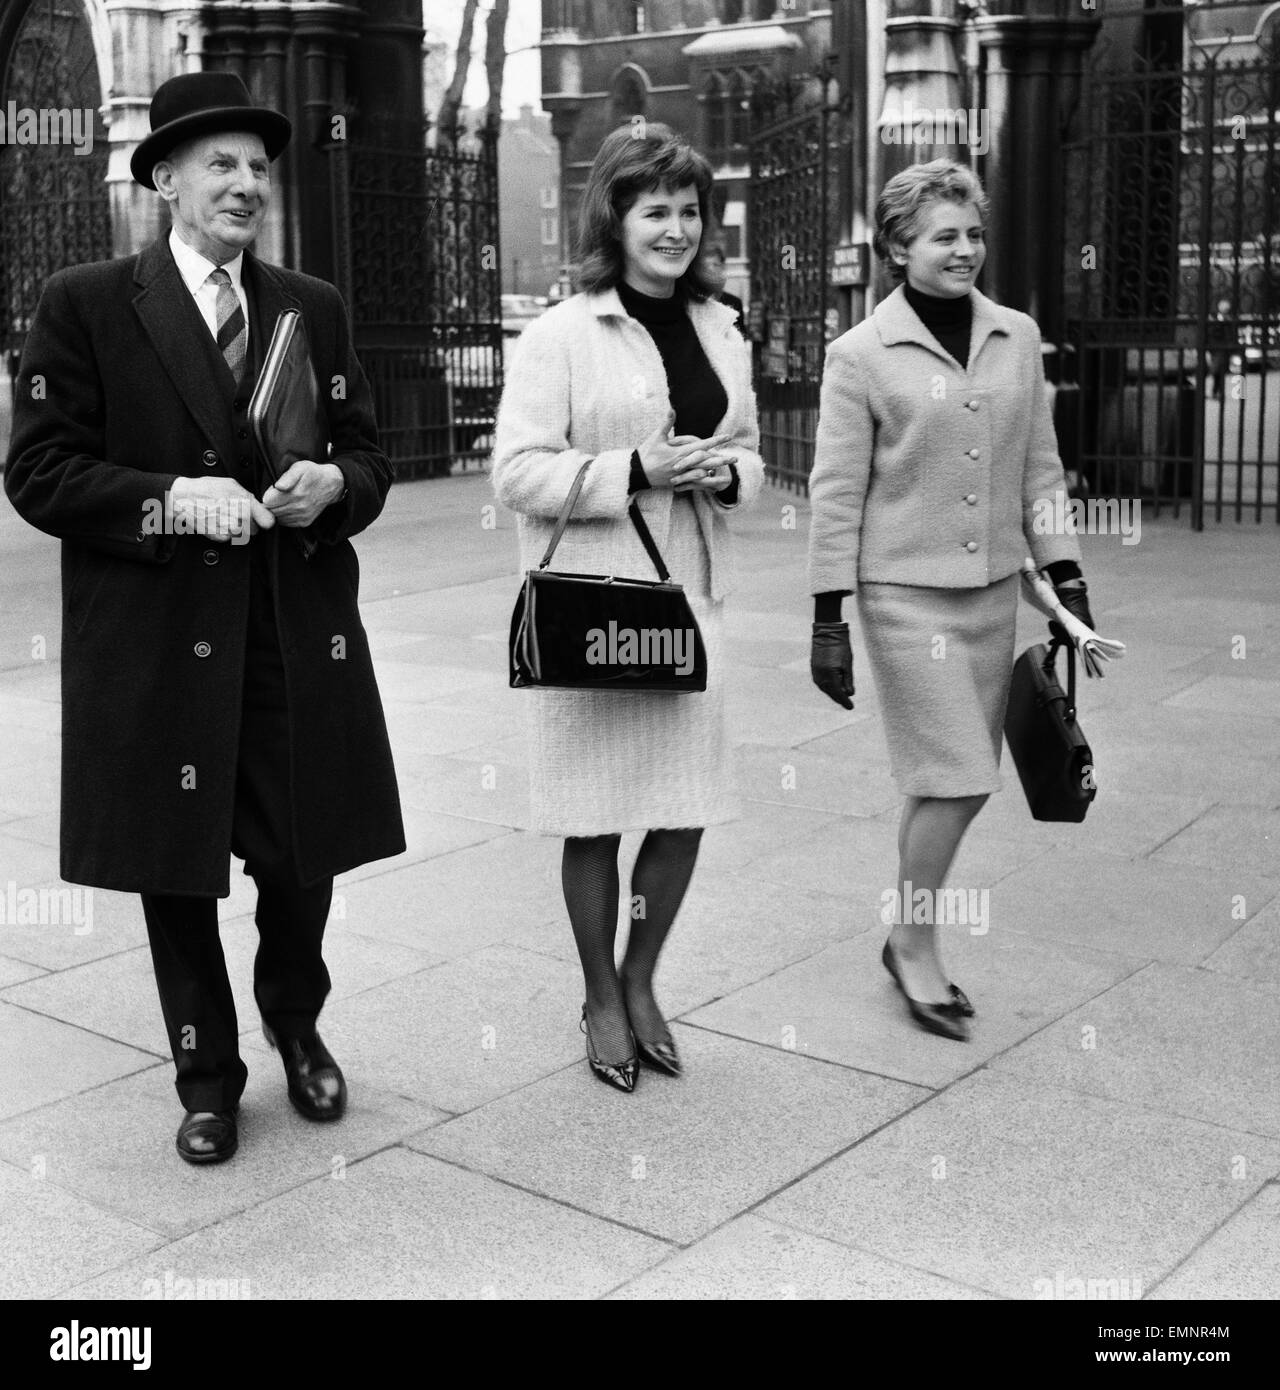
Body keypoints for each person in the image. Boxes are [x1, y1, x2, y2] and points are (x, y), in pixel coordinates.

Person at [4, 72, 405, 1162]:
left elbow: (368, 452)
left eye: (258, 169)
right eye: (220, 165)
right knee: (173, 868)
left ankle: (296, 1019)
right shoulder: (85, 302)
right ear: (166, 180)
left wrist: (336, 486)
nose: (244, 185)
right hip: (155, 642)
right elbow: (37, 471)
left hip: (290, 629)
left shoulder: (308, 307)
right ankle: (206, 1072)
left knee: (302, 856)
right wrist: (169, 498)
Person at [492, 123, 764, 1091]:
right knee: (594, 817)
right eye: (656, 210)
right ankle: (598, 994)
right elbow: (516, 471)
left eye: (690, 211)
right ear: (614, 216)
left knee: (683, 812)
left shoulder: (720, 327)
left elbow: (750, 454)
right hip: (591, 603)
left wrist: (723, 475)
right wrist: (635, 468)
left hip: (688, 595)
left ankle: (642, 979)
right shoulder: (561, 334)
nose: (676, 229)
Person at [807, 159, 1094, 1041]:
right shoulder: (860, 355)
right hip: (904, 600)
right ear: (899, 246)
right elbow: (835, 491)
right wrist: (829, 617)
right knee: (961, 777)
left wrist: (1068, 572)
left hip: (995, 595)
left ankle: (908, 934)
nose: (964, 249)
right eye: (944, 236)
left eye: (974, 234)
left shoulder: (1017, 334)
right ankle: (913, 943)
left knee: (946, 779)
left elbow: (1039, 466)